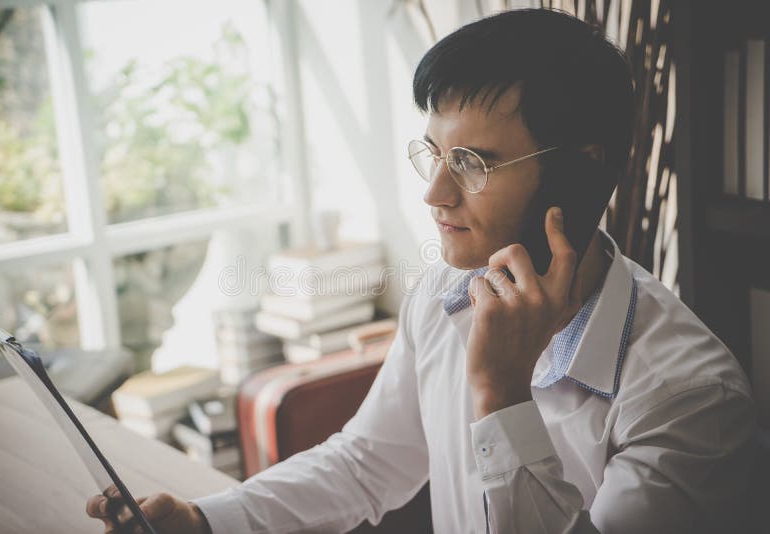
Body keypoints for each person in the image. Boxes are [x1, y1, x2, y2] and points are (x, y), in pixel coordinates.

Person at [87, 8, 756, 533]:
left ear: (578, 173)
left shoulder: (689, 397)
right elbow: (369, 463)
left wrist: (502, 395)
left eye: (472, 163)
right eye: (432, 153)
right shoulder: (446, 293)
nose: (434, 193)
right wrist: (207, 520)